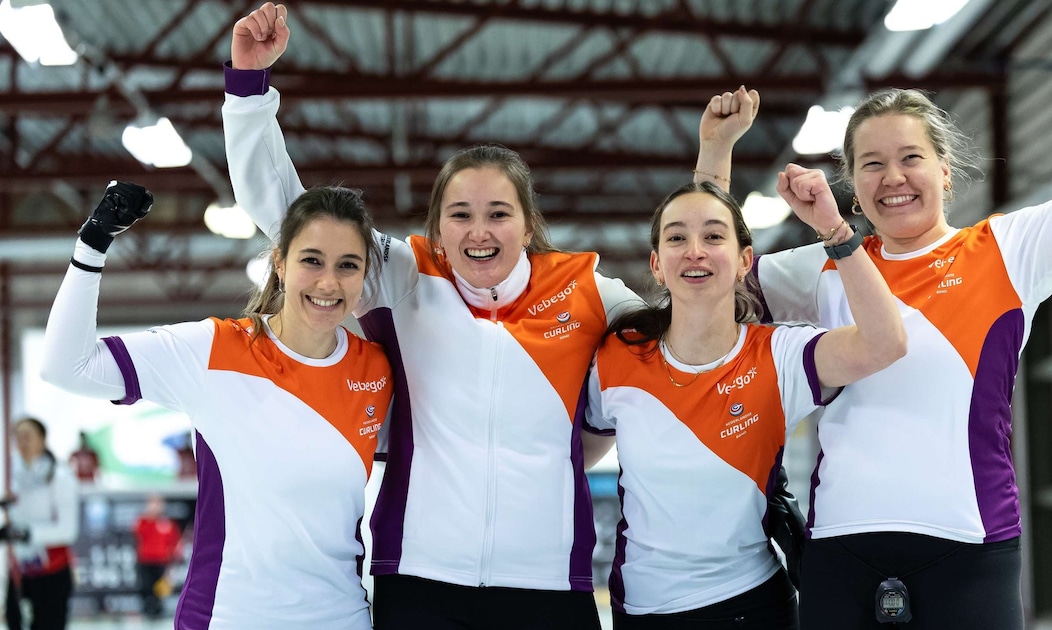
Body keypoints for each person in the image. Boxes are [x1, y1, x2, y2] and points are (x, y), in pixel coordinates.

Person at [222, 5, 773, 628]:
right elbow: (288, 212)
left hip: (546, 586)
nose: (478, 232)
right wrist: (249, 88)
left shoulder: (586, 290)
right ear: (437, 227)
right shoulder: (404, 276)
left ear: (529, 224)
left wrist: (712, 159)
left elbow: (693, 309)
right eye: (459, 214)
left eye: (498, 214)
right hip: (420, 579)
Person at [752, 2, 1052, 627]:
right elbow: (707, 272)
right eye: (871, 163)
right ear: (853, 183)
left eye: (910, 158)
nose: (892, 177)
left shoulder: (1007, 249)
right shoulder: (825, 262)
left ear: (946, 173)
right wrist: (716, 151)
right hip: (841, 541)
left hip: (969, 543)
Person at [40, 182, 394, 630]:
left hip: (342, 618)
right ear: (280, 263)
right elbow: (67, 367)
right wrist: (93, 244)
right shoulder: (213, 350)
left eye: (348, 265)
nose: (329, 282)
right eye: (312, 260)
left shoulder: (376, 370)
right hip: (229, 618)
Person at [585, 176, 905, 629]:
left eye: (714, 237)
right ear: (657, 264)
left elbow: (884, 343)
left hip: (753, 606)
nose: (695, 250)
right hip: (643, 609)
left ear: (744, 261)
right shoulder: (618, 355)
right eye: (677, 238)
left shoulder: (780, 356)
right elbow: (573, 453)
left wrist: (836, 232)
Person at [2, 416, 79, 630]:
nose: (22, 443)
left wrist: (25, 534)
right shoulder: (13, 477)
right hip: (20, 572)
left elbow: (68, 530)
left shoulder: (60, 478)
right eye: (17, 437)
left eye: (27, 436)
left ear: (42, 440)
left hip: (52, 573)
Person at [131, 494, 181, 619]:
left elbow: (174, 542)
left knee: (160, 589)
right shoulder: (143, 521)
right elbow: (136, 532)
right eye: (152, 503)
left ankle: (158, 610)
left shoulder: (167, 523)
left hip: (161, 561)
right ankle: (147, 610)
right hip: (145, 560)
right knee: (146, 586)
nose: (155, 507)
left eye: (158, 504)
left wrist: (172, 560)